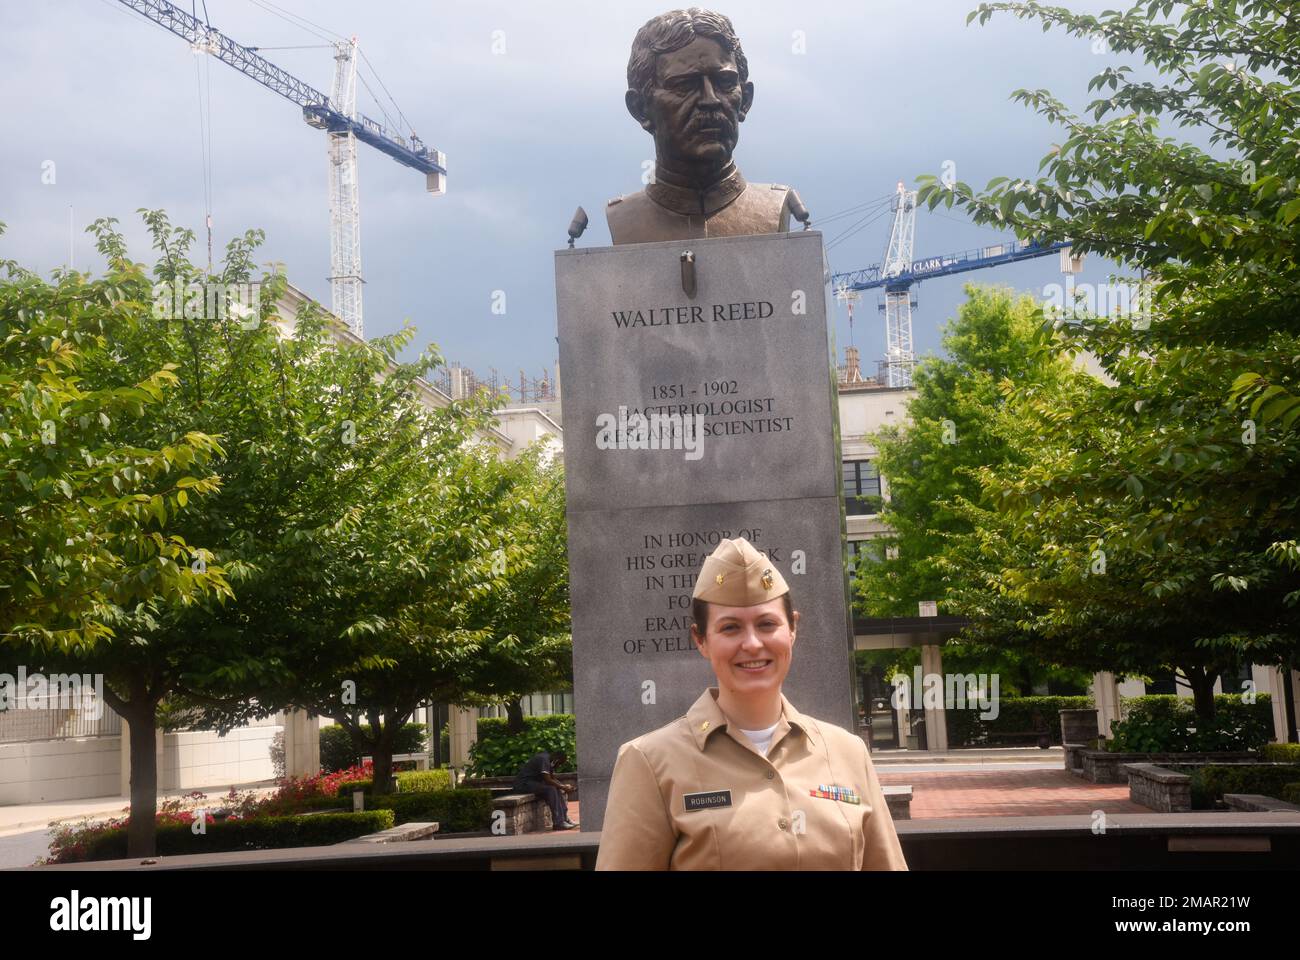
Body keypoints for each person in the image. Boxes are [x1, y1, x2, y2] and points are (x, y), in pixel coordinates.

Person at [595, 537, 907, 870]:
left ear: (793, 629)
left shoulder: (848, 753)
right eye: (730, 628)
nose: (753, 643)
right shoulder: (650, 763)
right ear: (701, 640)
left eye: (767, 624)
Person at [606, 8, 800, 244]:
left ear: (746, 100)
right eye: (684, 86)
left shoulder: (773, 208)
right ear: (640, 108)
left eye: (725, 82)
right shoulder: (623, 219)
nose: (711, 100)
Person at [512, 749, 577, 830]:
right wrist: (563, 787)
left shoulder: (549, 760)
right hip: (523, 784)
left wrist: (563, 786)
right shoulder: (544, 759)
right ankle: (558, 823)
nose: (559, 766)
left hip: (532, 783)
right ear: (556, 760)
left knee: (555, 788)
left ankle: (564, 819)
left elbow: (552, 778)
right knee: (551, 789)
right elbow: (547, 780)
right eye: (560, 764)